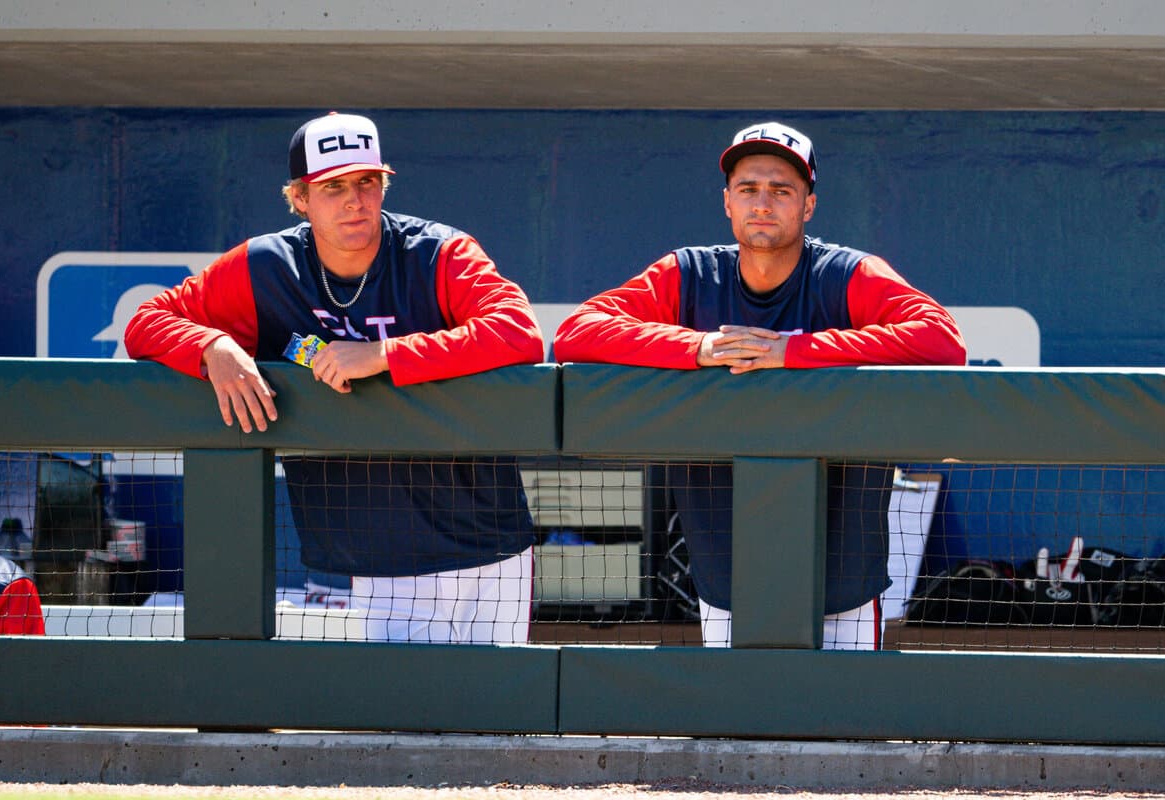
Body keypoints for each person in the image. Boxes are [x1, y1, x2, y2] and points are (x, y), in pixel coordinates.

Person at [125, 111, 544, 644]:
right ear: (299, 197)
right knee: (410, 717)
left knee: (504, 712)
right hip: (384, 548)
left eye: (368, 182)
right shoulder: (266, 267)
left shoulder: (438, 252)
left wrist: (384, 354)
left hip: (491, 529)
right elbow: (146, 322)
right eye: (334, 186)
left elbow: (519, 332)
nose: (355, 200)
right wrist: (211, 345)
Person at [553, 121, 966, 650]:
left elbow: (941, 340)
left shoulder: (846, 274)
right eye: (748, 189)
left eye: (781, 190)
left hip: (841, 556)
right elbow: (575, 334)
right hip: (726, 555)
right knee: (736, 715)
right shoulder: (690, 274)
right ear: (727, 202)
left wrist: (791, 352)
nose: (763, 203)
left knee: (846, 717)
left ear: (808, 206)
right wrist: (698, 347)